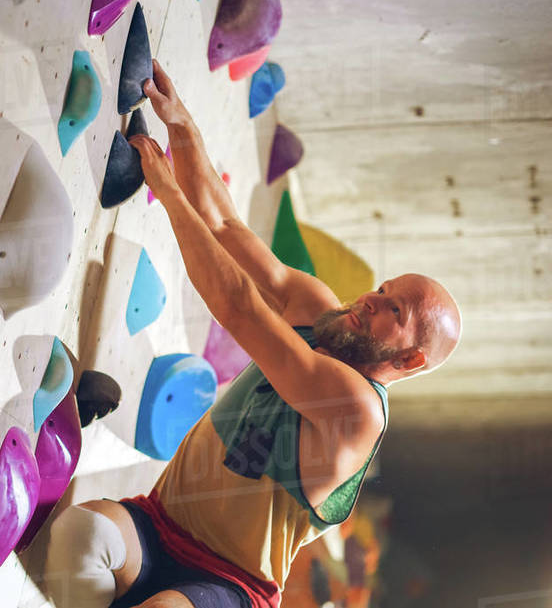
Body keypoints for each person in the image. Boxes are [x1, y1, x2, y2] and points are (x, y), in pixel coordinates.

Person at [38, 61, 461, 608]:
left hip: (231, 583)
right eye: (383, 288)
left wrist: (169, 194)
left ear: (408, 360)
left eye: (393, 310)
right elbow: (226, 227)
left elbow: (239, 308)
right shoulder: (320, 310)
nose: (371, 299)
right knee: (81, 534)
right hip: (159, 527)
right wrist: (182, 128)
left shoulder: (358, 411)